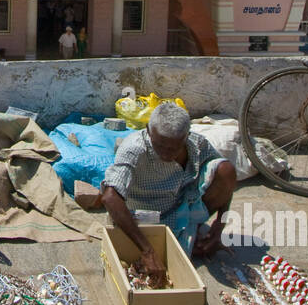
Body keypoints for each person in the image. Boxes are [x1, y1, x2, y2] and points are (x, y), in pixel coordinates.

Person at [101, 102, 238, 276]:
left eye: (174, 148)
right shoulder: (134, 149)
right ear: (148, 131)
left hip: (180, 205)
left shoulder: (196, 143)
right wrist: (148, 252)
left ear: (186, 136)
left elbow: (228, 179)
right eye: (160, 146)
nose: (166, 153)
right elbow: (110, 197)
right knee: (164, 260)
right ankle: (184, 239)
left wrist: (219, 226)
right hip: (145, 215)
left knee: (225, 169)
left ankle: (193, 230)